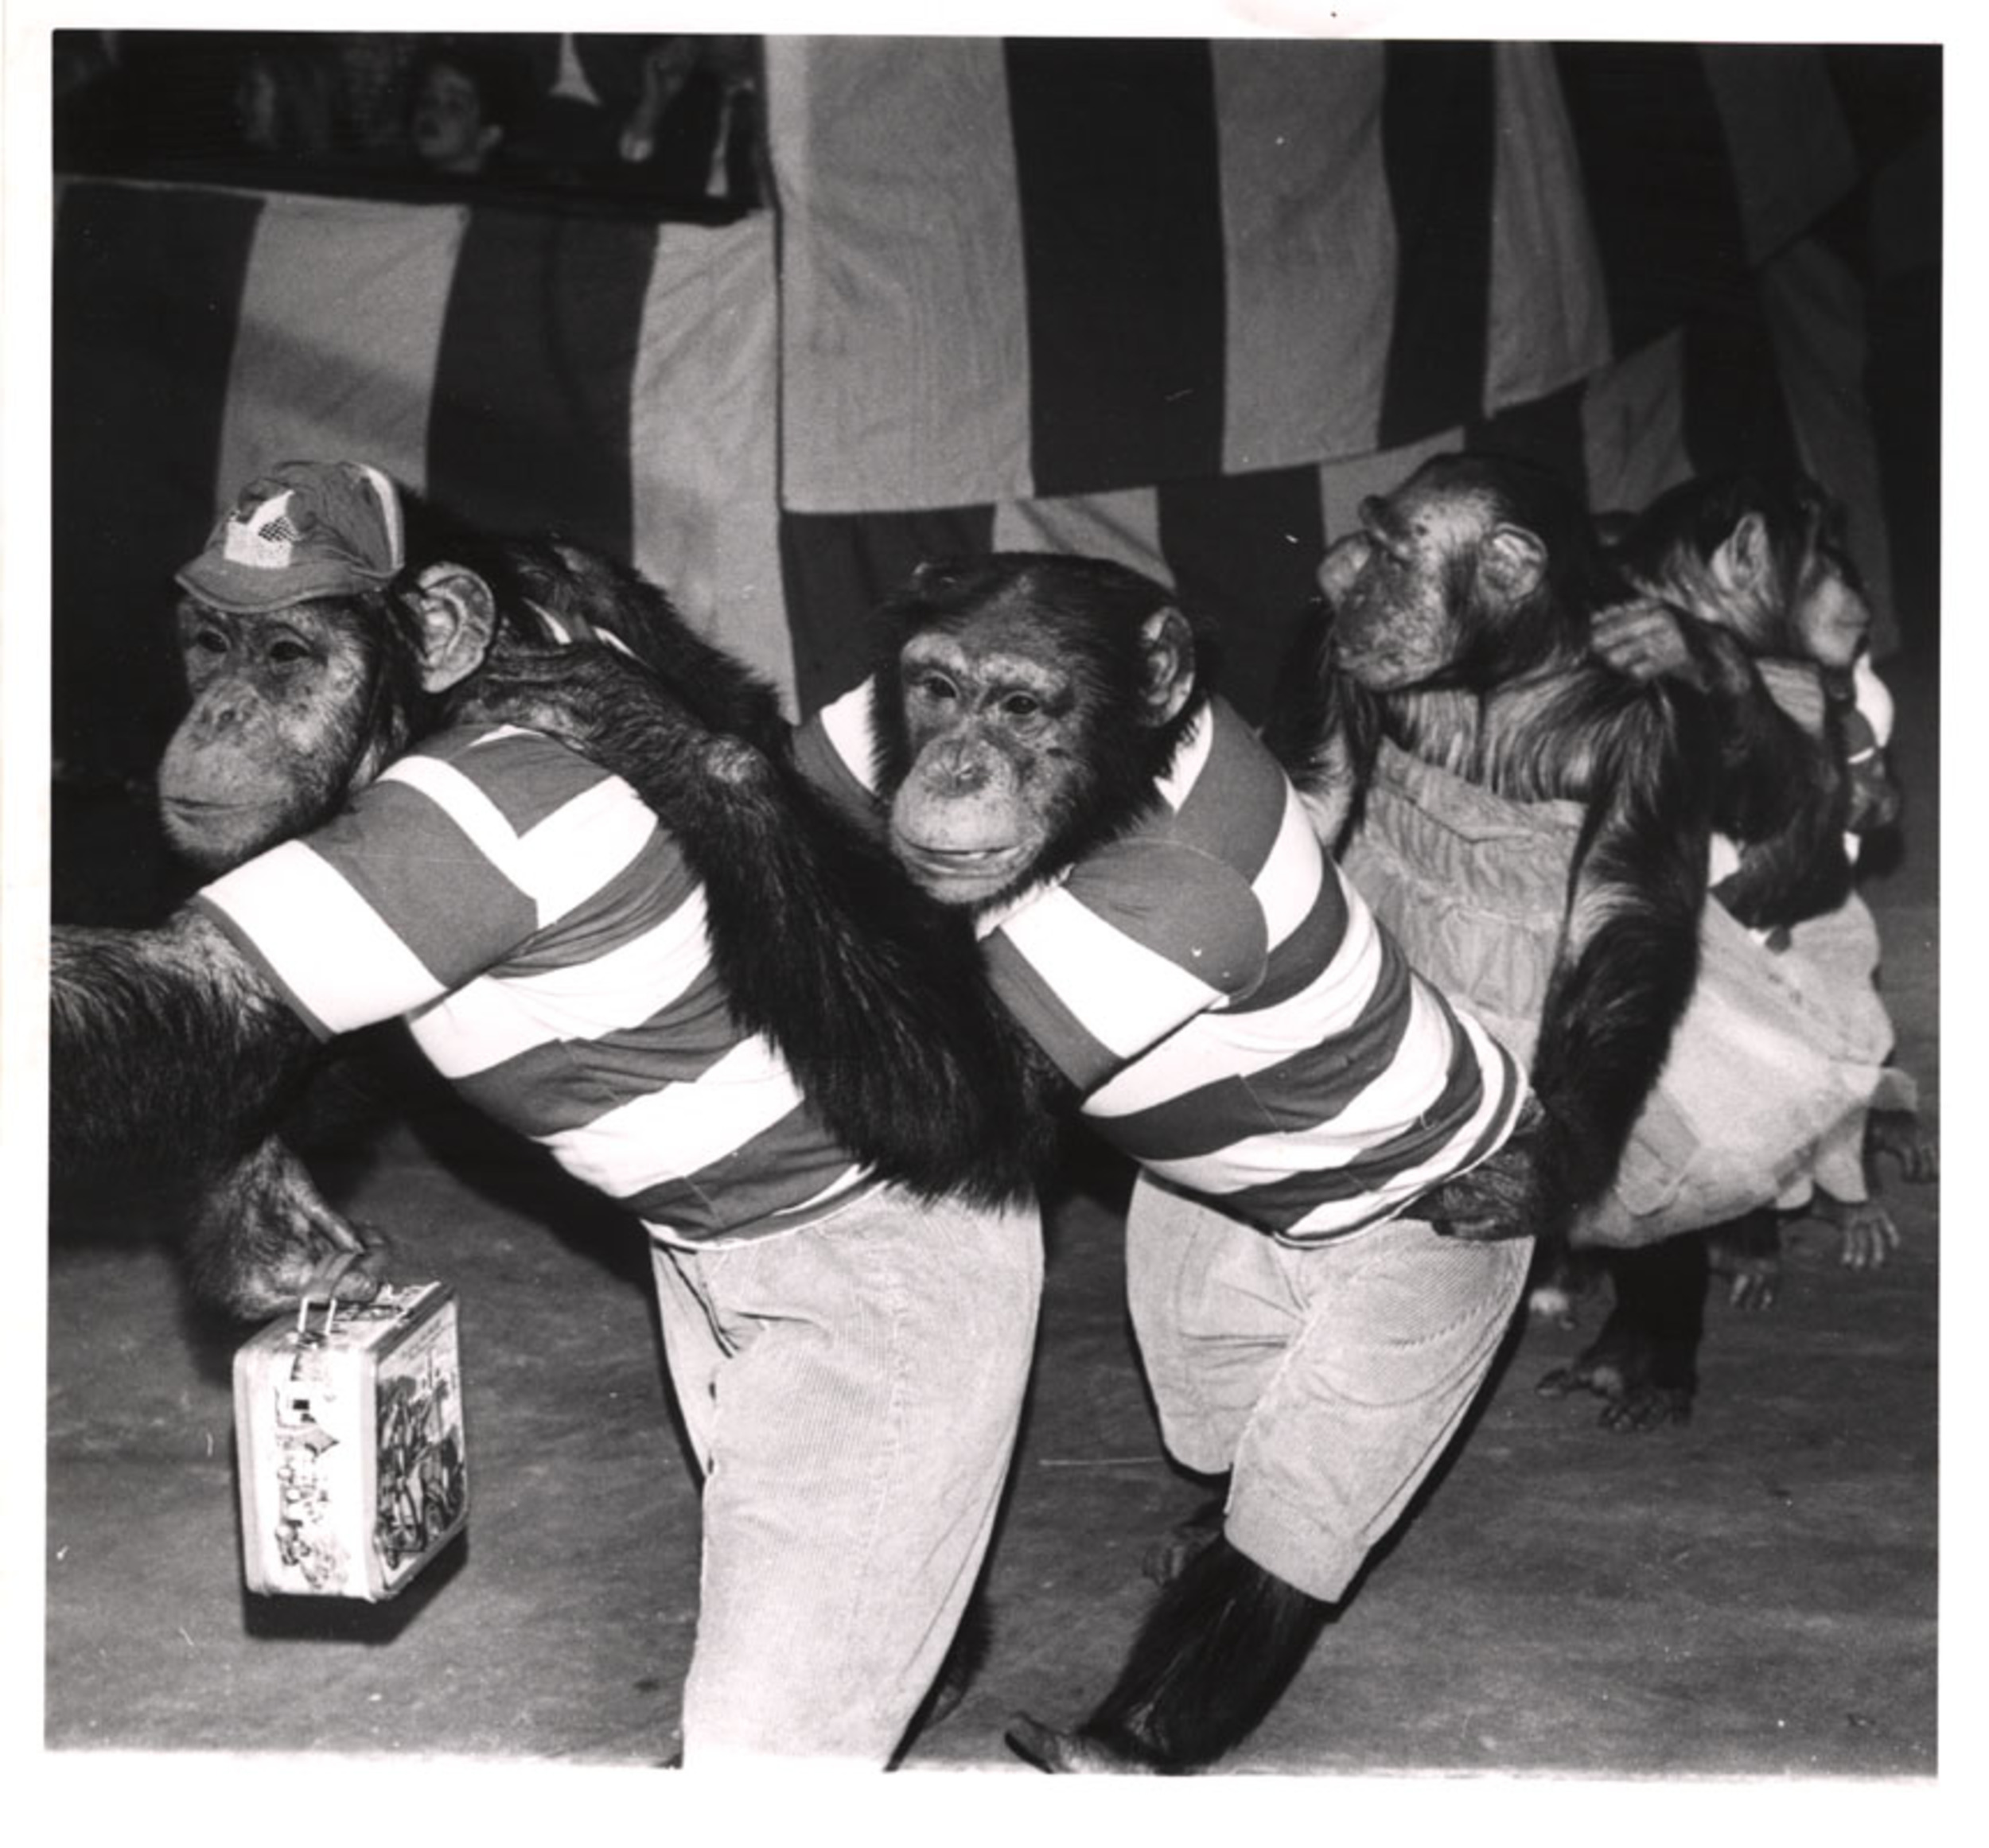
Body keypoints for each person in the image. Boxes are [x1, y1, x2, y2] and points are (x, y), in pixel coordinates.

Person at [168, 463, 1043, 1767]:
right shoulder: (524, 616)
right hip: (713, 1225)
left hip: (874, 1229)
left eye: (286, 653)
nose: (223, 708)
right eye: (210, 645)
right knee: (824, 1564)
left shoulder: (493, 784)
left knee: (760, 1761)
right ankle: (904, 1618)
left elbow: (190, 1006)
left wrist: (685, 761)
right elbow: (342, 975)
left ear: (443, 630)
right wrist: (242, 1149)